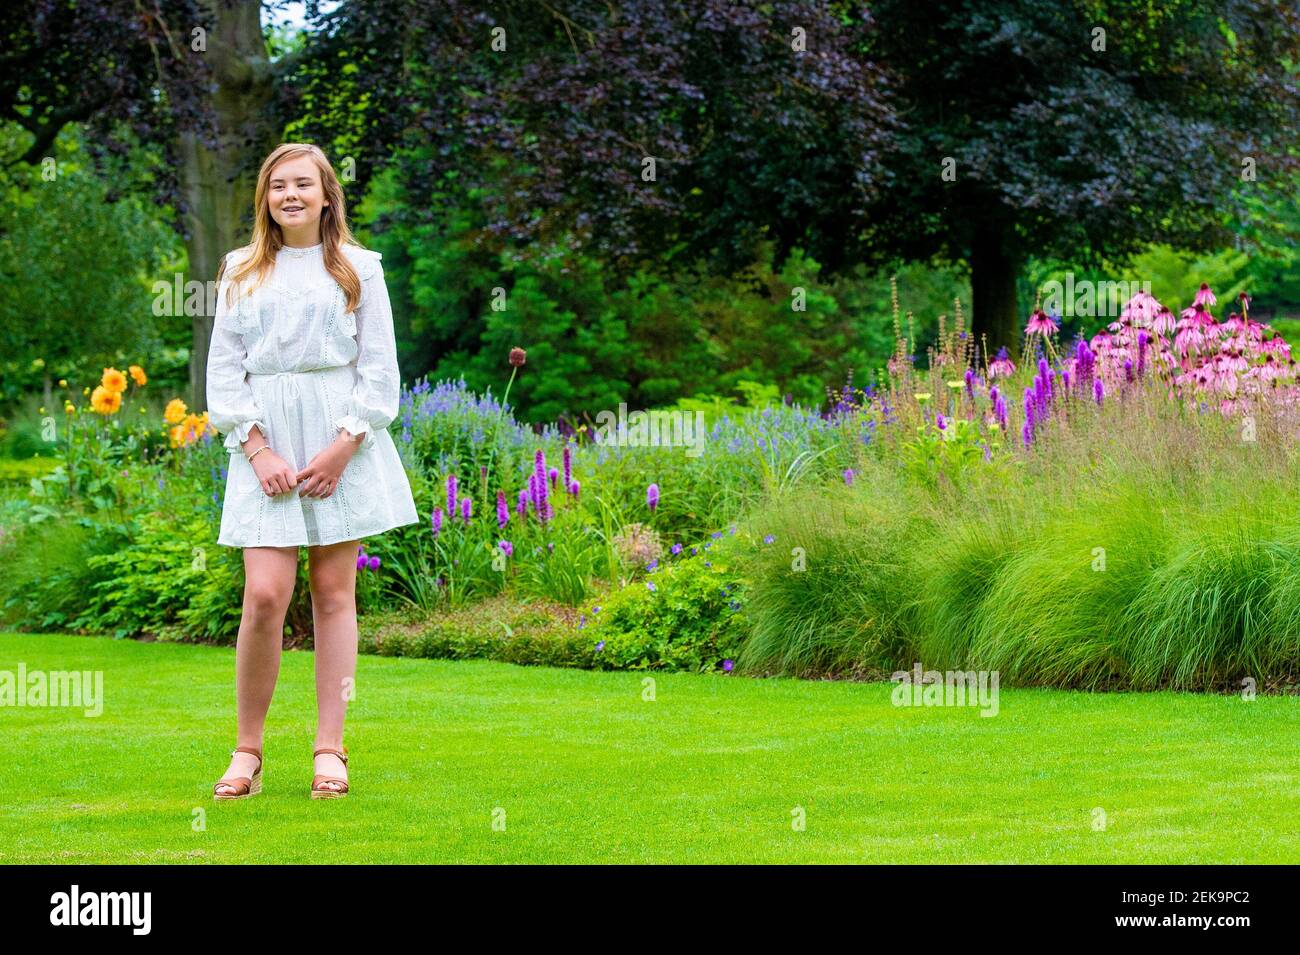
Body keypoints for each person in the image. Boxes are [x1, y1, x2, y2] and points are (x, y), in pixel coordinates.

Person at [205, 143, 419, 800]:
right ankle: (248, 748)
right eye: (277, 186)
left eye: (303, 184)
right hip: (265, 439)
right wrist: (258, 448)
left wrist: (343, 445)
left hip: (337, 437)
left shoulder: (360, 269)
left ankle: (330, 747)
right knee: (266, 593)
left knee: (333, 593)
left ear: (327, 195)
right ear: (265, 200)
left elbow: (381, 371)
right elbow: (223, 370)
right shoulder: (241, 269)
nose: (290, 195)